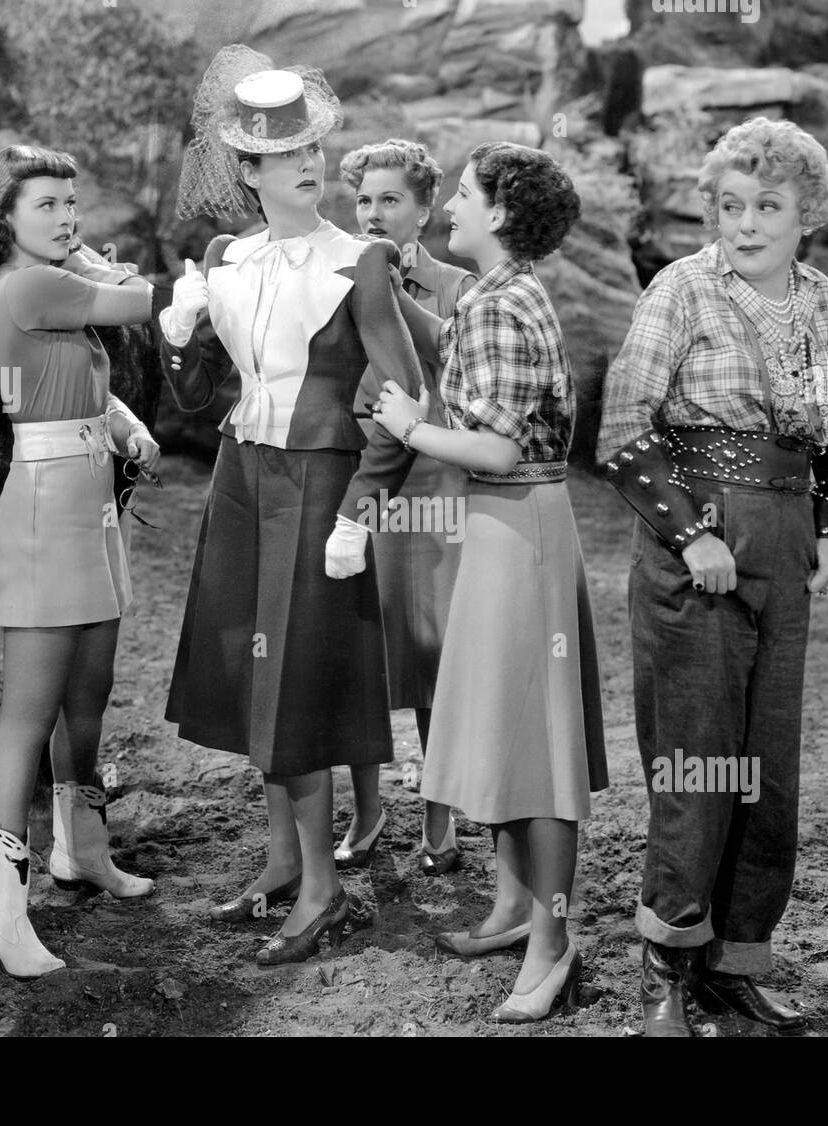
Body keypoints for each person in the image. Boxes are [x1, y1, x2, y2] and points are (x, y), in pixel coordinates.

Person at [160, 46, 424, 966]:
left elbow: (402, 395)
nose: (308, 162)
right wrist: (180, 332)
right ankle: (282, 861)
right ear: (249, 170)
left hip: (320, 490)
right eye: (283, 153)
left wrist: (361, 506)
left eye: (313, 144)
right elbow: (196, 402)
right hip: (242, 477)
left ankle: (323, 888)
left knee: (297, 683)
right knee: (248, 669)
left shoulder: (366, 261)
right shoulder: (223, 257)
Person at [595, 116, 828, 1036]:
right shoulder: (681, 290)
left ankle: (738, 962)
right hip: (694, 544)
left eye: (768, 207)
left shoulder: (818, 298)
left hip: (783, 547)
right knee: (699, 762)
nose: (745, 225)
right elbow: (623, 430)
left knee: (765, 766)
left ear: (806, 214)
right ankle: (671, 968)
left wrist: (827, 529)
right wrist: (694, 535)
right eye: (731, 205)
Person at [374, 142, 608, 1022]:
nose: (450, 207)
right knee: (509, 731)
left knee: (537, 752)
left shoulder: (506, 306)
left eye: (466, 194)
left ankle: (552, 945)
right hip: (498, 525)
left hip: (519, 524)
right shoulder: (488, 296)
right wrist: (389, 287)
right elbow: (456, 341)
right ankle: (514, 909)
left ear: (502, 214)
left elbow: (499, 446)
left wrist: (411, 426)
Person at [0, 144, 159, 979]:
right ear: (3, 218)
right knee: (27, 714)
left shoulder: (49, 289)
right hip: (44, 510)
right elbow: (140, 302)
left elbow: (72, 376)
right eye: (46, 206)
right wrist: (93, 262)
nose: (66, 218)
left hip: (91, 504)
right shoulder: (32, 282)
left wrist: (121, 423)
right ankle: (3, 914)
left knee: (90, 692)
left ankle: (82, 851)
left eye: (71, 204)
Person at [334, 138, 476, 876]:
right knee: (359, 654)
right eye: (363, 199)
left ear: (424, 209)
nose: (374, 212)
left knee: (427, 652)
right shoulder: (337, 278)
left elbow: (458, 389)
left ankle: (439, 822)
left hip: (429, 488)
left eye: (391, 199)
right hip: (352, 482)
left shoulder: (457, 288)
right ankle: (366, 813)